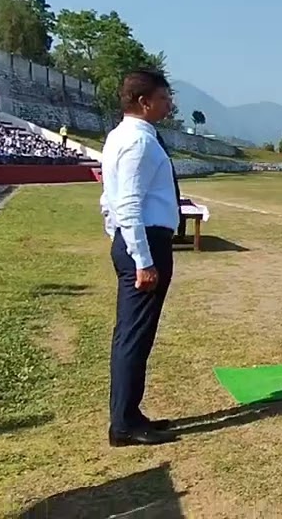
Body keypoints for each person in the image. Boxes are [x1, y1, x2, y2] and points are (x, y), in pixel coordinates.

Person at [101, 70, 180, 447]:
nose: (169, 105)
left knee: (133, 335)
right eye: (164, 98)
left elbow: (109, 201)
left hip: (137, 240)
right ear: (144, 102)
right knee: (134, 337)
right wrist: (142, 259)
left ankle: (129, 413)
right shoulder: (138, 143)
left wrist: (116, 236)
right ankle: (124, 424)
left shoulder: (122, 137)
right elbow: (128, 204)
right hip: (145, 243)